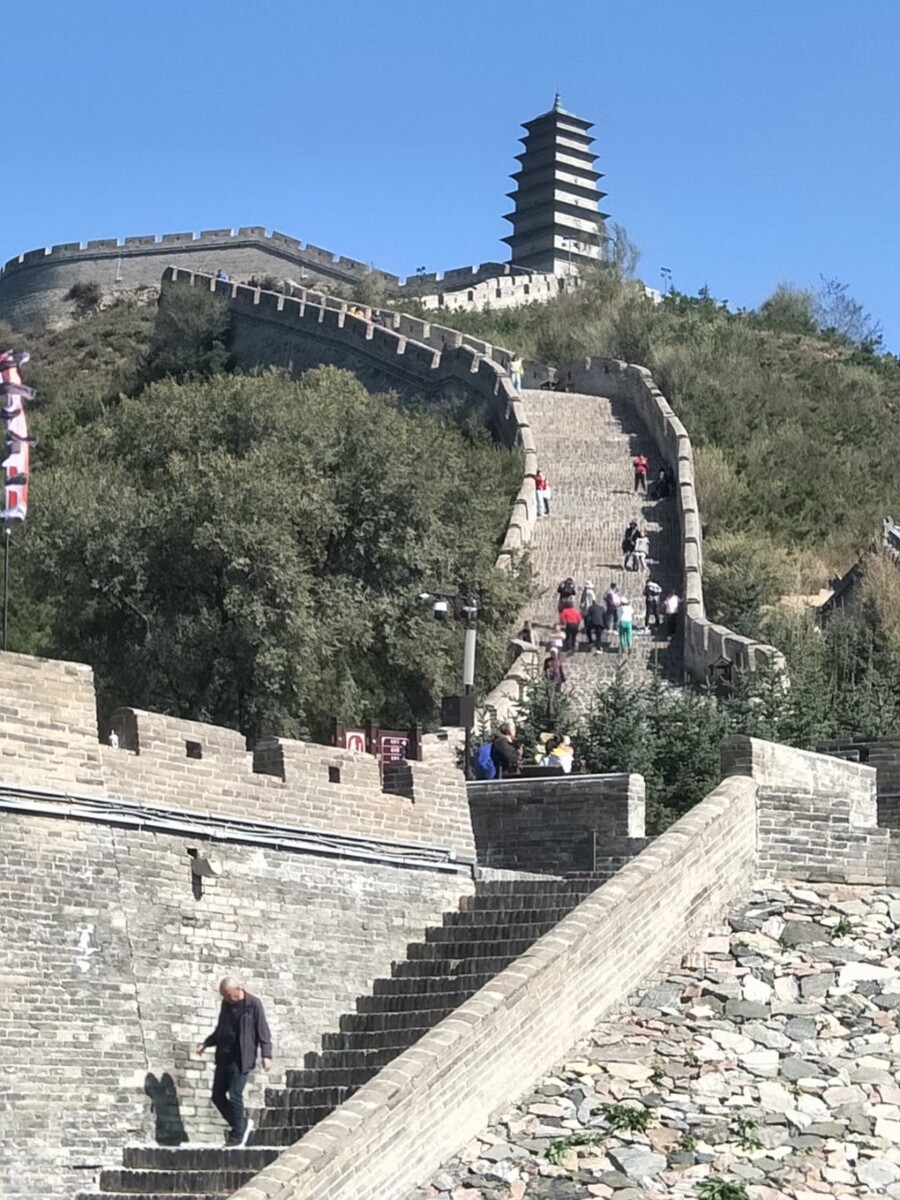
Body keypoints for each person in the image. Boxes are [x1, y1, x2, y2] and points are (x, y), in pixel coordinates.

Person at [196, 977, 272, 1147]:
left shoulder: (253, 1005)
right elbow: (221, 1030)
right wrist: (206, 1043)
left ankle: (237, 1135)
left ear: (238, 989)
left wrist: (266, 1055)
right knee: (217, 1096)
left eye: (229, 995)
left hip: (242, 1059)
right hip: (224, 1056)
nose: (227, 999)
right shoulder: (226, 1005)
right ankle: (241, 1125)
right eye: (224, 996)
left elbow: (263, 1031)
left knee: (235, 1093)